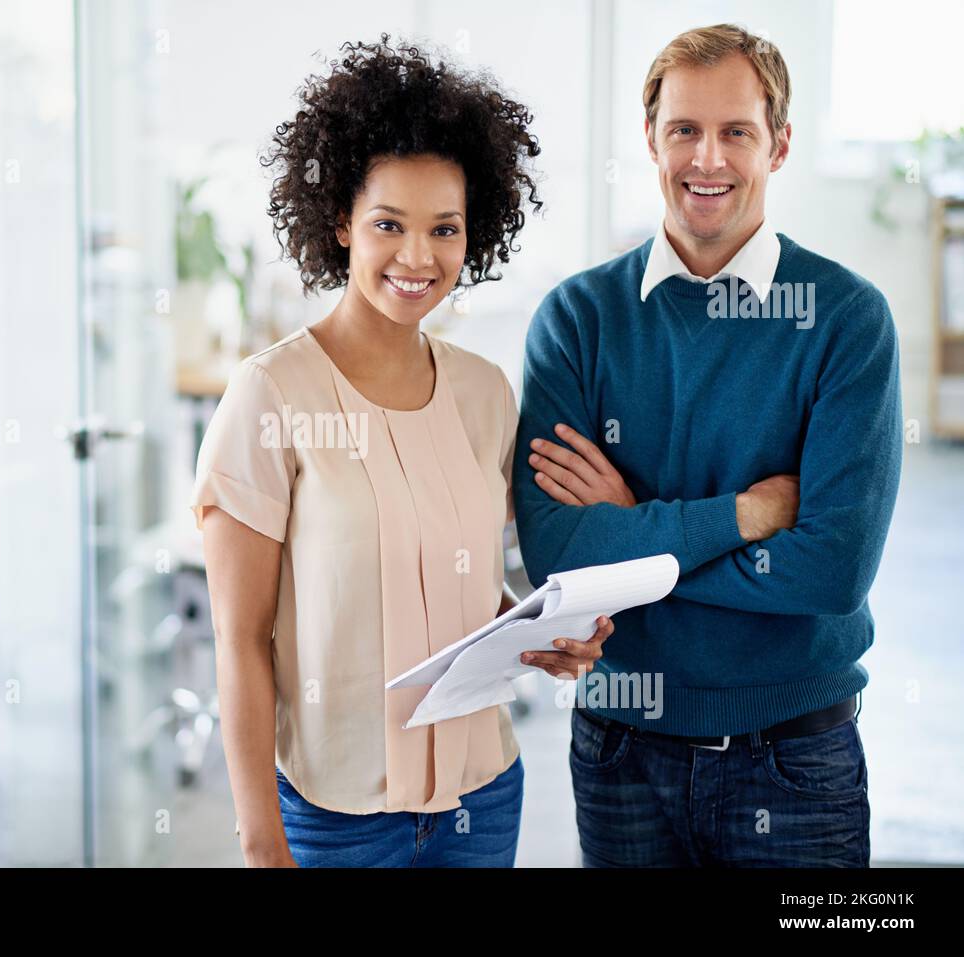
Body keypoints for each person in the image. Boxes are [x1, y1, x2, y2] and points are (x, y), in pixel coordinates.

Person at [191, 36, 612, 868]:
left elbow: (459, 587)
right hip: (336, 816)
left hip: (482, 794)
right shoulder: (272, 395)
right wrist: (260, 840)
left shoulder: (485, 391)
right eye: (389, 223)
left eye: (444, 229)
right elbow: (239, 642)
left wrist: (534, 631)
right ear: (342, 222)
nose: (418, 257)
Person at [513, 23, 902, 867]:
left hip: (795, 760)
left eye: (737, 132)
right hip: (621, 756)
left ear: (781, 144)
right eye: (684, 129)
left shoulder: (845, 321)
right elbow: (555, 549)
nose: (708, 159)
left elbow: (833, 571)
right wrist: (749, 513)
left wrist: (631, 529)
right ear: (650, 138)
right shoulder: (578, 321)